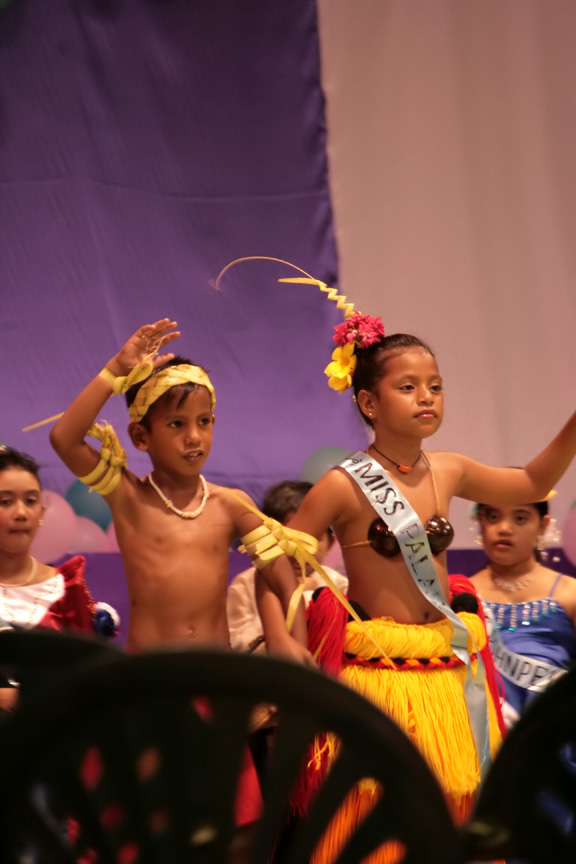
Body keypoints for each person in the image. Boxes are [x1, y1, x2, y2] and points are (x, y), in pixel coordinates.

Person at [253, 296, 576, 859]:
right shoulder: (342, 484)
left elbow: (529, 482)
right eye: (408, 387)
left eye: (435, 386)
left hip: (447, 673)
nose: (426, 396)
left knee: (450, 819)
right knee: (376, 828)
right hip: (379, 677)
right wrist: (280, 637)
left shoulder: (448, 469)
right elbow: (273, 565)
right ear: (368, 403)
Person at [0, 445, 118, 713]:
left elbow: (85, 682)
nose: (21, 513)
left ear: (42, 513)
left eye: (31, 501)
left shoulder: (65, 589)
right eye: (5, 501)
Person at [470, 495, 576, 728]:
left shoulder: (570, 593)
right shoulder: (460, 596)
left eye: (520, 518)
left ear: (543, 525)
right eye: (493, 516)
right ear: (480, 520)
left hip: (552, 737)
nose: (504, 528)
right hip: (480, 737)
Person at [227, 480, 348, 653]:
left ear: (331, 542)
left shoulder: (339, 586)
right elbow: (238, 641)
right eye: (288, 540)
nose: (298, 551)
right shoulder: (245, 584)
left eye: (310, 540)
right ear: (266, 539)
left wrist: (309, 597)